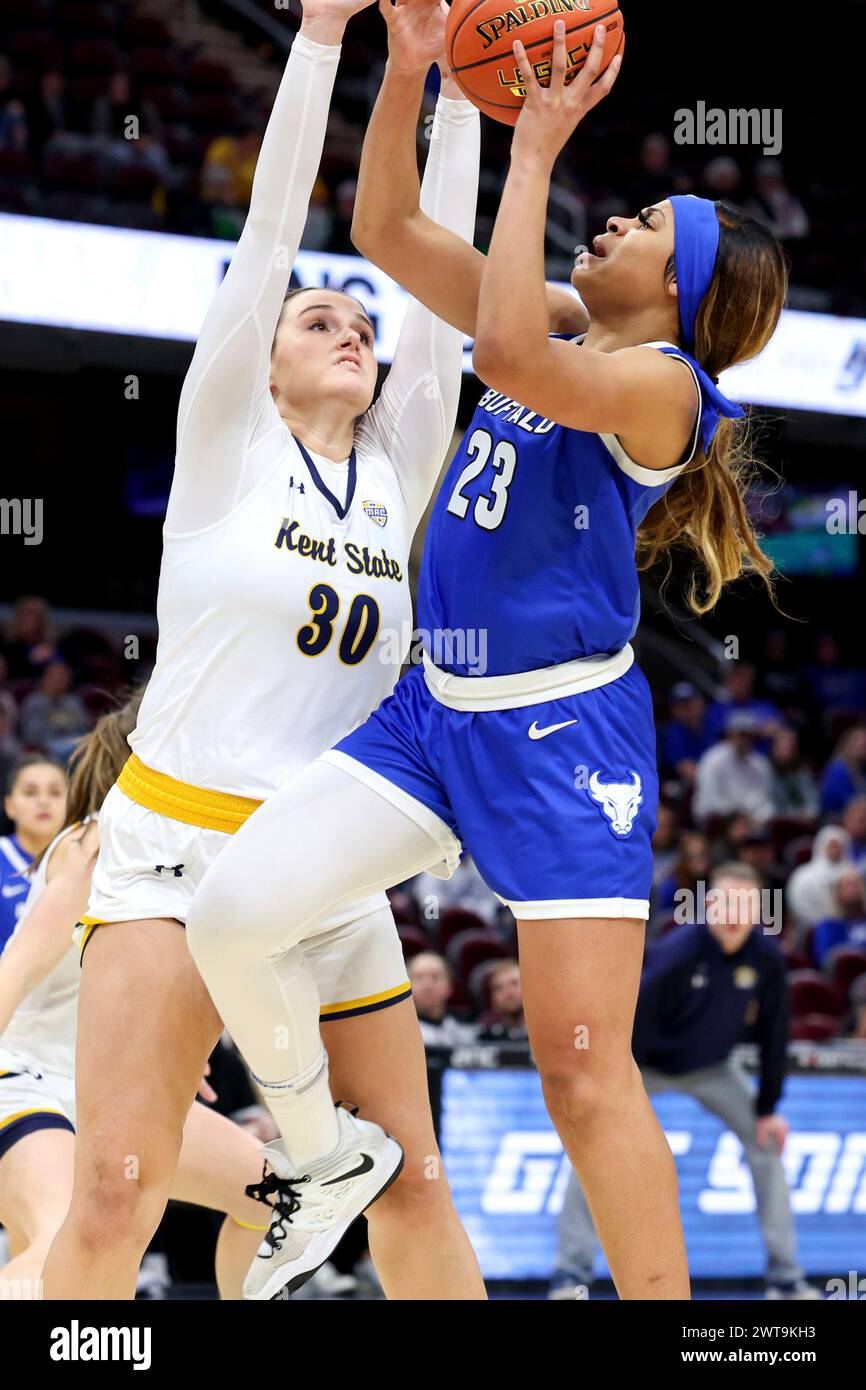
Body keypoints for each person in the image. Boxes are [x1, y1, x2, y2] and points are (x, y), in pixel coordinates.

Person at [187, 19, 788, 1301]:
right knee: (232, 912)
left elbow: (507, 357)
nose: (610, 223)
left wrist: (535, 147)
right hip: (430, 716)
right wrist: (410, 58)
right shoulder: (569, 312)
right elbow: (386, 236)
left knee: (578, 1070)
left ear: (675, 292)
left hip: (560, 744)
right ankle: (319, 1155)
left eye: (639, 223)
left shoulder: (667, 387)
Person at [42, 0, 485, 1304]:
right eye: (316, 323)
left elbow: (436, 297)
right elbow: (269, 238)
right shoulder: (228, 443)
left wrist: (447, 79)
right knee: (116, 1183)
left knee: (412, 1180)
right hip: (176, 853)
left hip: (324, 860)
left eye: (361, 325)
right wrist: (324, 38)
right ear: (267, 361)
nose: (348, 326)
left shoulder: (398, 467)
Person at [0, 693, 271, 1298]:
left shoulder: (194, 857)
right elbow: (16, 967)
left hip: (113, 1086)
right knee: (59, 1247)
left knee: (272, 1195)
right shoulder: (93, 843)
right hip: (26, 1075)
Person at [549, 864, 819, 1302]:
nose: (734, 914)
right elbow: (630, 1027)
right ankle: (569, 1274)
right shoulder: (676, 954)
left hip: (714, 1068)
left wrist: (768, 1108)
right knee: (596, 1151)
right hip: (643, 1067)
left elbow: (775, 1032)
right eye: (725, 903)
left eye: (746, 905)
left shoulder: (766, 959)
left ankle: (785, 1278)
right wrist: (613, 1096)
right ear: (708, 907)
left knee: (767, 1145)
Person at [1, 755, 67, 953]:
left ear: (72, 802)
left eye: (55, 793)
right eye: (30, 793)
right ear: (9, 806)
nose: (43, 801)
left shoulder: (88, 863)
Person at [693, 711, 775, 825]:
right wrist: (737, 816)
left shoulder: (760, 763)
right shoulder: (713, 759)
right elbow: (709, 798)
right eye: (740, 734)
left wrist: (754, 818)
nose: (744, 739)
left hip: (750, 820)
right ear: (729, 735)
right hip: (717, 818)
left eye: (748, 735)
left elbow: (763, 799)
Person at [18, 661, 90, 762]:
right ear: (45, 678)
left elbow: (84, 728)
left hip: (73, 744)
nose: (59, 681)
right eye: (54, 677)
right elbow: (31, 735)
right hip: (47, 747)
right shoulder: (33, 702)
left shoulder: (73, 702)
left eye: (63, 678)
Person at [786, 825, 853, 930]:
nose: (835, 850)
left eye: (839, 846)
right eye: (832, 846)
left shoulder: (853, 873)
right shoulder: (804, 875)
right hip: (811, 928)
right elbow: (799, 903)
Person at [408, 952, 478, 1047]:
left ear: (449, 987)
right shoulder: (399, 1031)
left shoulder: (467, 1029)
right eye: (419, 977)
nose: (427, 985)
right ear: (408, 986)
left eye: (435, 977)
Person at [812, 871, 866, 968]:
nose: (852, 890)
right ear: (838, 892)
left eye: (856, 885)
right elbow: (823, 959)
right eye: (847, 886)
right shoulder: (828, 925)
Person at [769, 728, 819, 820]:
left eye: (790, 748)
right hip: (778, 819)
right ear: (775, 749)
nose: (787, 752)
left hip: (804, 819)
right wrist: (793, 814)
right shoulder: (767, 771)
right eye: (783, 748)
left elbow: (812, 799)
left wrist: (809, 812)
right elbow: (771, 805)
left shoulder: (802, 771)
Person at [821, 726, 866, 817]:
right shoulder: (837, 769)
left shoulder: (862, 769)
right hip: (835, 818)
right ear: (849, 745)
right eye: (862, 745)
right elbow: (848, 802)